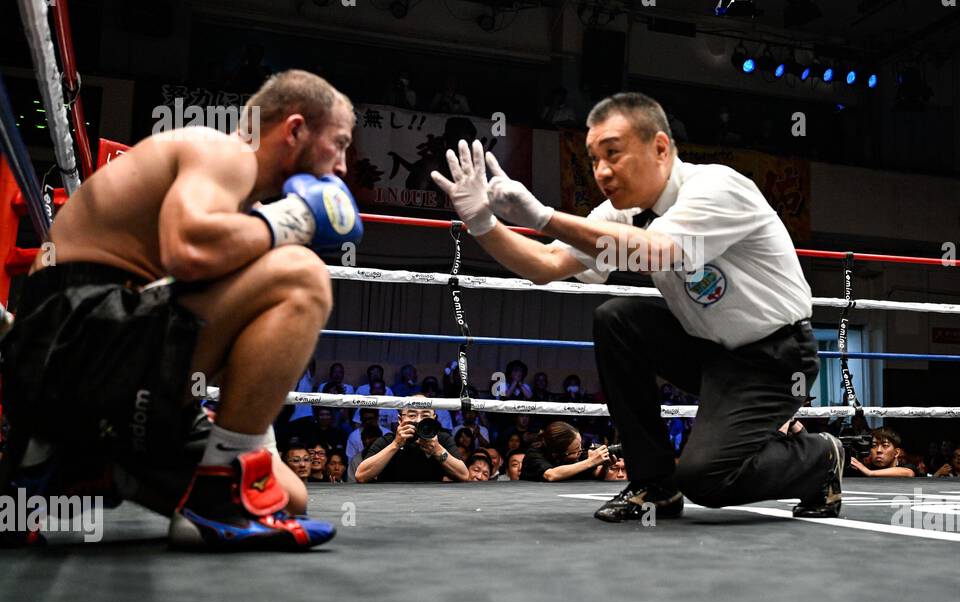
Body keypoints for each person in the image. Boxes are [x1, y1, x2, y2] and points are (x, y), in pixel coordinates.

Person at [432, 92, 842, 522]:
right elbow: (546, 264)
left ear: (660, 148)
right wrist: (482, 223)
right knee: (617, 319)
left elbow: (657, 251)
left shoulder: (717, 187)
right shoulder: (619, 214)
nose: (602, 171)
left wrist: (545, 217)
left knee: (706, 479)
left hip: (775, 358)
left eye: (614, 154)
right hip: (708, 352)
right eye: (593, 159)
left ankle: (819, 457)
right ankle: (654, 485)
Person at [0, 69, 360, 550]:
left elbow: (217, 320)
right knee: (301, 274)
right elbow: (187, 250)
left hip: (102, 358)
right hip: (73, 339)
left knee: (288, 496)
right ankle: (213, 501)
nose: (341, 168)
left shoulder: (240, 211)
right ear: (294, 129)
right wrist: (294, 219)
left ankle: (82, 466)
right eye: (338, 144)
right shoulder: (223, 152)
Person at [354, 408, 470, 483]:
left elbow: (464, 475)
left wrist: (437, 450)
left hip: (433, 502)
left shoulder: (442, 439)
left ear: (434, 419)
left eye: (425, 415)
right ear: (400, 419)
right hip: (390, 501)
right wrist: (395, 445)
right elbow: (361, 475)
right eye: (412, 415)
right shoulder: (388, 440)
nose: (419, 420)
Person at [519, 421, 610, 482]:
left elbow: (595, 474)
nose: (580, 453)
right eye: (575, 451)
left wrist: (605, 466)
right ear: (557, 454)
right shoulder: (534, 454)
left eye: (580, 447)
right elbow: (551, 475)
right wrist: (592, 461)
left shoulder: (579, 454)